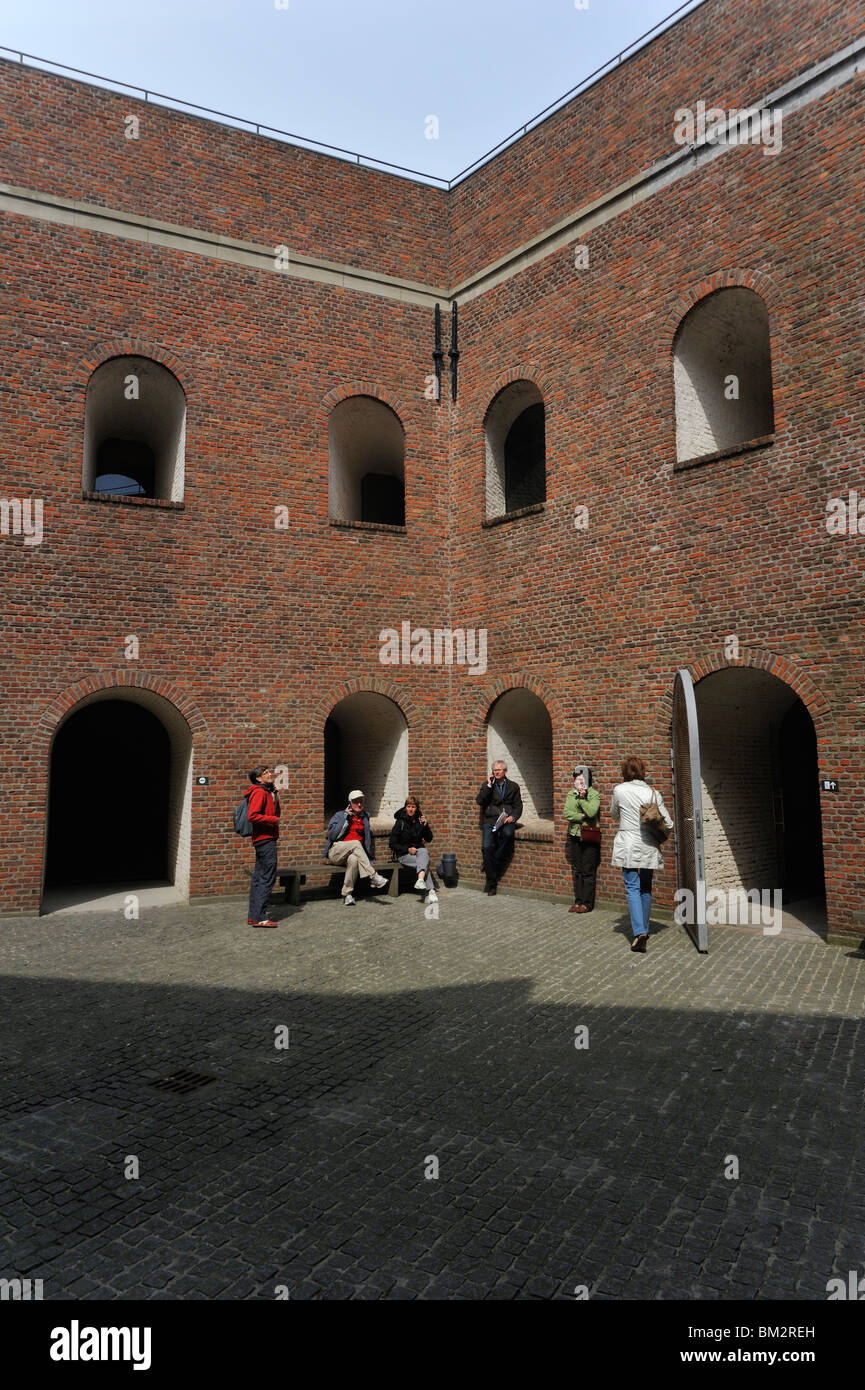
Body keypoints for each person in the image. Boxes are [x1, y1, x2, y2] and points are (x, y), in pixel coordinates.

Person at [609, 756, 674, 952]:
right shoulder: (653, 793)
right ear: (643, 771)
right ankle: (643, 929)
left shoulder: (619, 790)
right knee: (645, 887)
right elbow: (669, 824)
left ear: (624, 772)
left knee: (631, 886)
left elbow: (613, 815)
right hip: (649, 844)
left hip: (628, 843)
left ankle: (640, 933)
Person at [325, 789, 390, 906]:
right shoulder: (339, 815)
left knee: (354, 860)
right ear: (350, 803)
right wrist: (344, 817)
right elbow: (332, 836)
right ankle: (373, 876)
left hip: (352, 854)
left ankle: (347, 894)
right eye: (356, 802)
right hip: (336, 852)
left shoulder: (365, 817)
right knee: (355, 843)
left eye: (361, 801)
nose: (359, 804)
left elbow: (367, 838)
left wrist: (369, 855)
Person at [476, 759, 523, 895]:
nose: (496, 772)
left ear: (505, 771)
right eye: (494, 770)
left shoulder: (513, 786)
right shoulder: (488, 785)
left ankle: (490, 862)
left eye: (499, 770)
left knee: (508, 835)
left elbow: (518, 806)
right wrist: (489, 786)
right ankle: (492, 883)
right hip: (490, 820)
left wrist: (512, 817)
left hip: (506, 820)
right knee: (486, 847)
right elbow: (480, 801)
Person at [246, 763, 280, 928]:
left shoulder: (266, 791)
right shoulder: (259, 792)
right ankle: (260, 916)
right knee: (267, 877)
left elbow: (274, 810)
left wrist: (274, 795)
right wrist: (273, 820)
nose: (270, 774)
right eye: (266, 773)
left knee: (259, 878)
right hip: (265, 839)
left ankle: (254, 916)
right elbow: (253, 815)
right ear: (258, 778)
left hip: (263, 839)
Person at [563, 763, 601, 913]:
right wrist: (581, 816)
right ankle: (578, 901)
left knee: (588, 870)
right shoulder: (570, 794)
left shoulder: (594, 794)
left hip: (589, 836)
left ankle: (587, 903)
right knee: (577, 869)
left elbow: (591, 812)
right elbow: (567, 813)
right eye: (576, 780)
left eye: (581, 780)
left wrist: (582, 799)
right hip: (575, 835)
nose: (578, 782)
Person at [389, 795, 438, 905]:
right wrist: (407, 849)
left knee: (424, 852)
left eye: (413, 807)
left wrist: (426, 826)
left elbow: (429, 839)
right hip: (403, 854)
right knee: (423, 863)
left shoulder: (420, 821)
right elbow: (392, 843)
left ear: (417, 808)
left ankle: (421, 881)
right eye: (408, 806)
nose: (410, 809)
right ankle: (431, 891)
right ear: (405, 807)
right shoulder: (400, 822)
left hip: (419, 852)